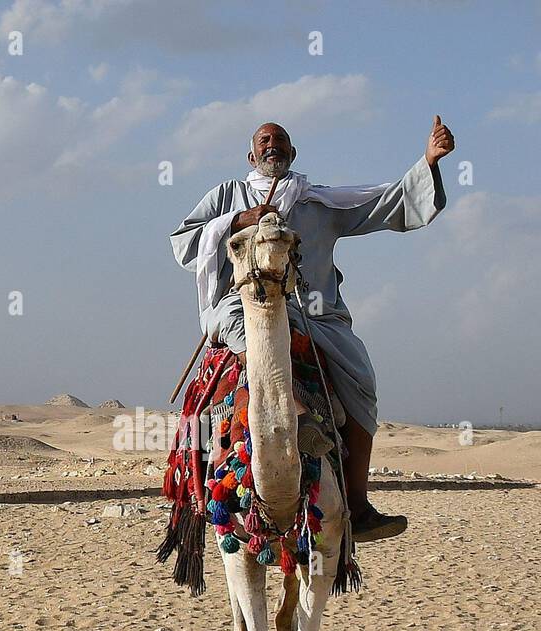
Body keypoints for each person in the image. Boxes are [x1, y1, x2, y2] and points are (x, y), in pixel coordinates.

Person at [170, 117, 454, 540]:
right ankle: (210, 485)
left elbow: (381, 202)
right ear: (251, 155)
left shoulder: (318, 202)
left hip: (314, 313)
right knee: (254, 339)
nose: (272, 145)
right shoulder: (226, 196)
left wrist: (428, 161)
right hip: (244, 305)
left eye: (280, 140)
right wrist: (235, 221)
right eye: (264, 140)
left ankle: (357, 505)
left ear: (292, 153)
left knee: (361, 379)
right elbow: (183, 242)